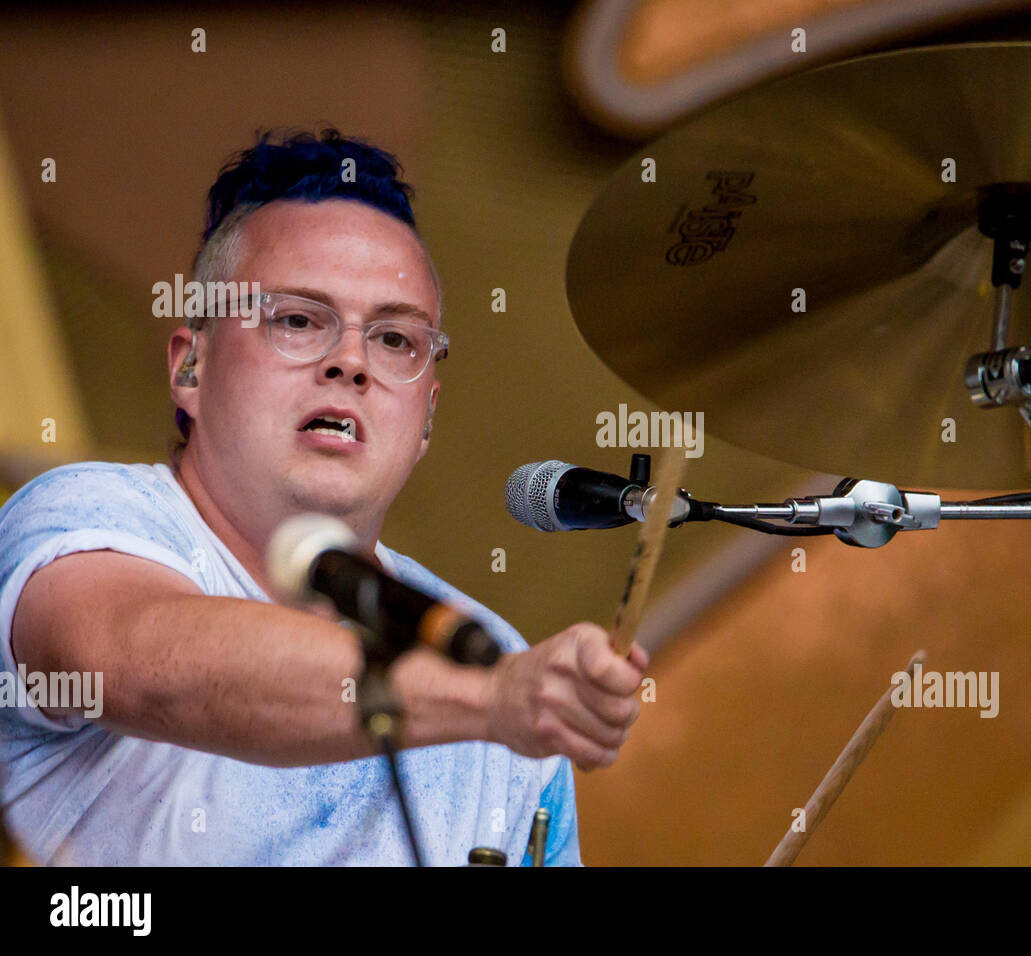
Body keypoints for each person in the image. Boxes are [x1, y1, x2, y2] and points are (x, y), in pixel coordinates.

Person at [0, 129, 647, 866]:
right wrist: (493, 701)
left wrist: (506, 695)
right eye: (299, 320)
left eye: (395, 338)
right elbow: (146, 664)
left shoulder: (500, 665)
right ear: (191, 367)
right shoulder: (81, 518)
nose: (350, 361)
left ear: (427, 414)